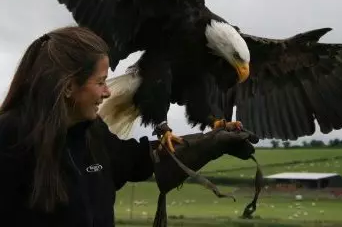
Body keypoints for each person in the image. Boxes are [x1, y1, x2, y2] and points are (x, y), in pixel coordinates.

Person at [0, 26, 258, 227]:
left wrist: (211, 143)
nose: (107, 92)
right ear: (68, 86)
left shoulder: (93, 134)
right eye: (100, 82)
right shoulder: (8, 139)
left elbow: (141, 160)